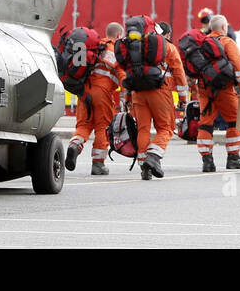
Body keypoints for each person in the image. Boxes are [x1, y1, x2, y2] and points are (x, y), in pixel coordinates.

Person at [128, 21, 186, 180]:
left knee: (143, 129)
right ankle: (153, 157)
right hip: (160, 91)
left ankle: (144, 168)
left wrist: (127, 96)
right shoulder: (170, 48)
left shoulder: (138, 47)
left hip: (138, 92)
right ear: (167, 35)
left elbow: (128, 71)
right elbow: (179, 75)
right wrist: (182, 98)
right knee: (166, 128)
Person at [66, 21, 124, 176]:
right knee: (102, 127)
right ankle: (98, 164)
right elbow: (123, 76)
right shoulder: (115, 51)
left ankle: (74, 145)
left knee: (83, 126)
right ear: (118, 35)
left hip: (84, 91)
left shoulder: (96, 47)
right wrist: (128, 94)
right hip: (102, 93)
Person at [197, 15, 240, 171]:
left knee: (206, 123)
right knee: (234, 120)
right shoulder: (228, 42)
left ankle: (207, 161)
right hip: (225, 89)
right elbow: (237, 66)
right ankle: (233, 158)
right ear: (224, 28)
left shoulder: (201, 43)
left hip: (205, 89)